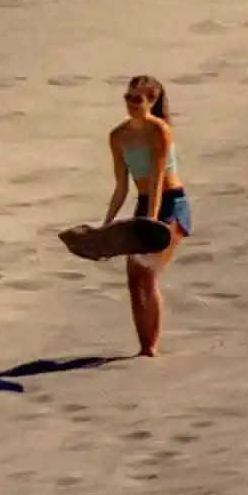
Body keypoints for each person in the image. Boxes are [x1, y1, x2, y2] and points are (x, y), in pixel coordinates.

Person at [104, 74, 191, 357]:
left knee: (148, 272)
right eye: (127, 98)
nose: (131, 104)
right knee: (133, 279)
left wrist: (152, 224)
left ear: (152, 101)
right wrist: (106, 225)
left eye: (137, 99)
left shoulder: (160, 131)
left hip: (170, 205)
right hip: (144, 204)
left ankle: (150, 348)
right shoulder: (117, 136)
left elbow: (156, 180)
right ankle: (143, 347)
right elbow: (121, 187)